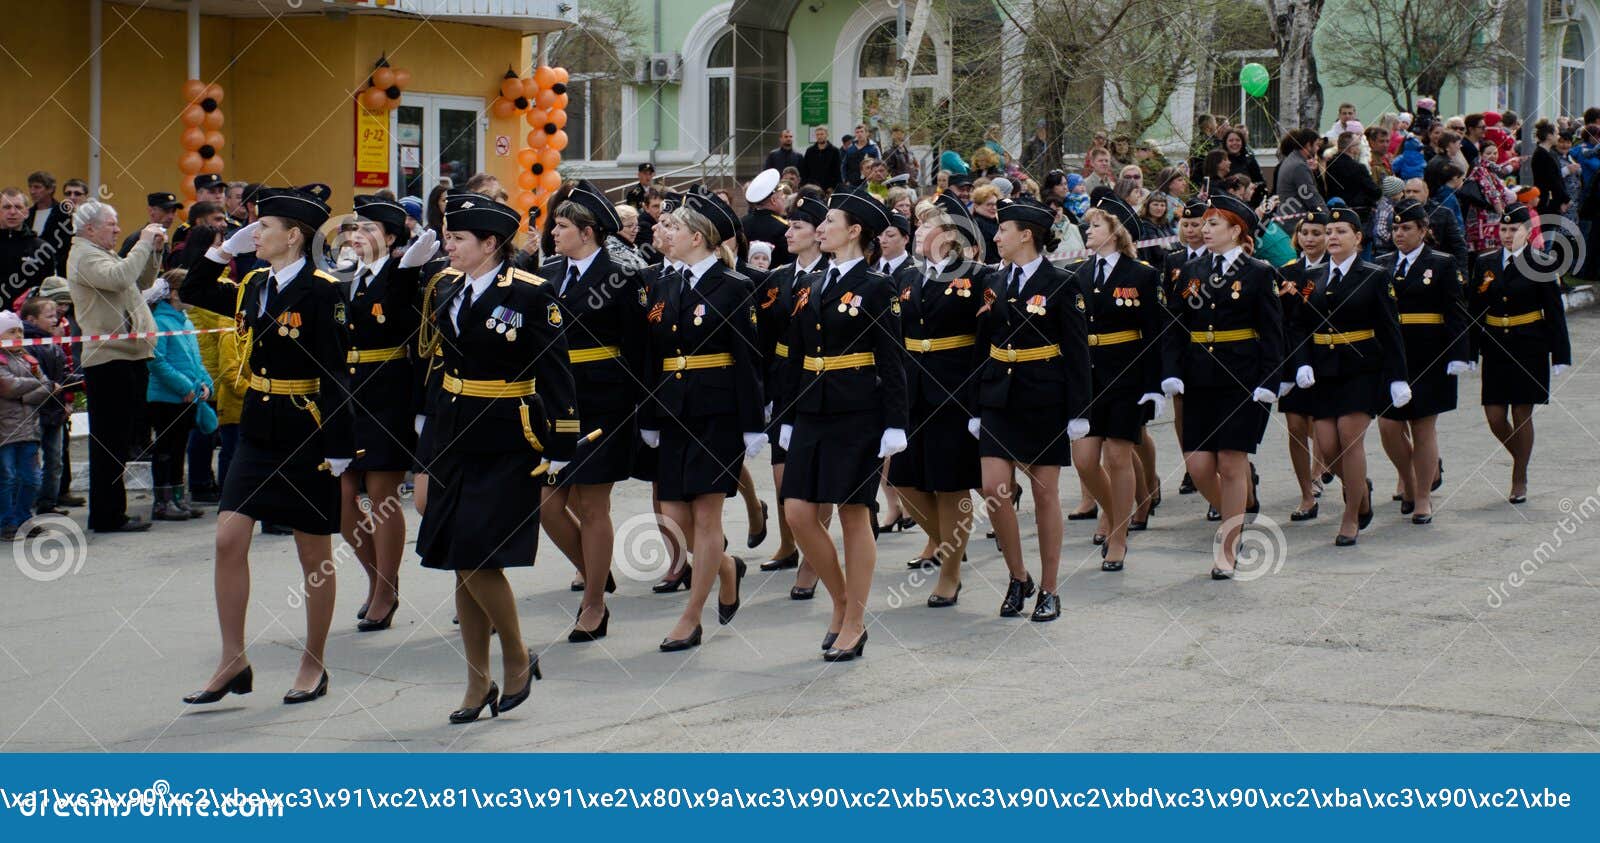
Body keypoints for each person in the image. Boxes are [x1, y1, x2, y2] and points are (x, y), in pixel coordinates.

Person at [178, 185, 355, 706]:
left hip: (307, 427)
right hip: (258, 424)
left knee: (312, 551)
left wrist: (340, 446)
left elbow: (337, 373)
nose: (254, 233)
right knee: (228, 538)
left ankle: (313, 662)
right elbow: (196, 290)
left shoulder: (324, 290)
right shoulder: (255, 281)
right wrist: (219, 250)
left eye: (264, 227)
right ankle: (233, 659)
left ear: (294, 235)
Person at [408, 192, 576, 720]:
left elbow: (556, 371)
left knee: (479, 558)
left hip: (508, 436)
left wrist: (561, 447)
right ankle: (476, 682)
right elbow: (438, 368)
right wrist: (425, 440)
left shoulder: (530, 293)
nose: (449, 247)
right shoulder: (446, 291)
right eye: (448, 237)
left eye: (458, 239)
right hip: (454, 436)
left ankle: (517, 655)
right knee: (459, 563)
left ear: (490, 244)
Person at [777, 187, 905, 661]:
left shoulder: (877, 285)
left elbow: (893, 360)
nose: (821, 227)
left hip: (858, 412)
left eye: (831, 221)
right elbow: (795, 355)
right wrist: (787, 417)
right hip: (811, 409)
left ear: (854, 231)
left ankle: (853, 621)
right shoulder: (811, 282)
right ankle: (840, 599)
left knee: (854, 513)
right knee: (797, 511)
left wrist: (896, 423)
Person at [639, 190, 765, 652]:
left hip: (719, 412)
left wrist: (754, 423)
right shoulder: (665, 283)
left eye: (675, 228)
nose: (666, 233)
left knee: (707, 513)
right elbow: (655, 356)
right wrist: (650, 414)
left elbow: (748, 358)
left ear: (699, 237)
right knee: (673, 514)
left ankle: (691, 618)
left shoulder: (734, 286)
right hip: (673, 409)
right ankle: (726, 568)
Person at [537, 181, 646, 643]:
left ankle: (595, 604)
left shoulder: (622, 276)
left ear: (587, 231)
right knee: (546, 504)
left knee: (593, 502)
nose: (554, 233)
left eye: (562, 226)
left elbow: (639, 349)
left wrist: (642, 407)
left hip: (604, 400)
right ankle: (593, 569)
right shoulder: (547, 272)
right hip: (555, 400)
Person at [974, 197, 1091, 621]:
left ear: (1026, 235)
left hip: (1044, 396)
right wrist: (975, 404)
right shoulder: (993, 280)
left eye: (1003, 230)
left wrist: (1079, 411)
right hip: (998, 397)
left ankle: (1050, 587)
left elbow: (1077, 353)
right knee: (993, 488)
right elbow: (979, 346)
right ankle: (1017, 575)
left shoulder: (1062, 281)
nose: (997, 236)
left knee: (1045, 494)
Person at [1160, 194, 1284, 577]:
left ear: (1235, 231)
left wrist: (1270, 381)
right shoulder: (1190, 270)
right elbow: (1175, 325)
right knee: (1198, 466)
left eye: (1215, 224)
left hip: (1241, 379)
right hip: (1199, 377)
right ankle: (1238, 516)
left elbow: (1273, 333)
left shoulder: (1259, 272)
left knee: (1231, 463)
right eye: (1204, 223)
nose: (1204, 229)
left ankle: (1228, 546)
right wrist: (1171, 369)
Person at [1286, 207, 1408, 546]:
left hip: (1360, 369)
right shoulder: (1314, 277)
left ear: (1358, 238)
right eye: (1330, 232)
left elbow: (1389, 329)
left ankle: (1351, 514)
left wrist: (1398, 377)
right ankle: (1361, 493)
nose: (1333, 237)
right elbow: (1298, 325)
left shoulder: (1374, 274)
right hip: (1323, 370)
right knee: (1326, 445)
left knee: (1348, 437)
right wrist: (1301, 363)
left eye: (1341, 231)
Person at [332, 195, 420, 633]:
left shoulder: (402, 276)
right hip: (348, 393)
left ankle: (385, 590)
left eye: (368, 229)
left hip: (388, 391)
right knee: (345, 498)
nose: (356, 236)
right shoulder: (343, 276)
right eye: (353, 228)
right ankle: (377, 579)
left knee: (381, 496)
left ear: (388, 237)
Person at [1069, 193, 1165, 572]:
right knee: (1085, 460)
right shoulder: (1077, 272)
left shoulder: (1141, 274)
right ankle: (1112, 510)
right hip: (1087, 377)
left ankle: (1118, 536)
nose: (1087, 230)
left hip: (1126, 375)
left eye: (1095, 225)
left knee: (1118, 456)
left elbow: (1155, 334)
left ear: (1116, 231)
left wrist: (1154, 385)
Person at [66, 200, 164, 533]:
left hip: (127, 355)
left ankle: (113, 512)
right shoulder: (84, 256)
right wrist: (143, 242)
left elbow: (136, 280)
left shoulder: (101, 253)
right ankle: (107, 516)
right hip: (109, 360)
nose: (118, 230)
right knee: (109, 442)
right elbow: (121, 275)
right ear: (90, 228)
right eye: (111, 224)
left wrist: (153, 253)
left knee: (120, 440)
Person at [1376, 199, 1472, 525]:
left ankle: (1422, 498)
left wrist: (1460, 354)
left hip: (1430, 354)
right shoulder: (1381, 264)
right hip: (1392, 355)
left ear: (1423, 231)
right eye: (1395, 228)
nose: (1399, 234)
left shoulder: (1442, 264)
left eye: (1406, 228)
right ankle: (1410, 477)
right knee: (1388, 426)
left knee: (1422, 426)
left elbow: (1456, 312)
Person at [1468, 204, 1571, 505]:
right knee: (1495, 416)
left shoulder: (1541, 263)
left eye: (1514, 229)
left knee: (1521, 413)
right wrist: (1471, 350)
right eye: (1503, 229)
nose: (1508, 234)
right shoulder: (1484, 262)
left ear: (1528, 232)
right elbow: (1475, 310)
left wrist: (1560, 354)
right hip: (1496, 345)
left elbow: (1554, 312)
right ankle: (1521, 457)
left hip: (1529, 346)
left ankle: (1519, 477)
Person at [754, 195, 828, 593]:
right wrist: (764, 388)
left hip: (820, 378)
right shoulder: (779, 278)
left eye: (797, 226)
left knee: (817, 474)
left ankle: (813, 561)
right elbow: (764, 336)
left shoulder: (833, 275)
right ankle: (788, 544)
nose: (788, 232)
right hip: (785, 379)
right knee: (783, 473)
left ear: (819, 233)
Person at [143, 269, 211, 521]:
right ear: (173, 293)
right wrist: (184, 386)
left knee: (179, 447)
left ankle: (178, 498)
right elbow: (156, 361)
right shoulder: (160, 322)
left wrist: (205, 383)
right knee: (165, 449)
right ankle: (163, 501)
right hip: (166, 398)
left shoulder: (185, 320)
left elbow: (196, 359)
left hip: (188, 396)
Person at [1276, 211, 1330, 521]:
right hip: (1293, 355)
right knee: (1296, 425)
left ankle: (1331, 468)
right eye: (1305, 232)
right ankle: (1307, 493)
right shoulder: (1287, 272)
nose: (1310, 238)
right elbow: (1282, 318)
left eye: (1317, 233)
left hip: (1326, 353)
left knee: (1322, 423)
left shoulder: (1334, 270)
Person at [1161, 201, 1210, 497]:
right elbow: (1170, 304)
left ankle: (1210, 466)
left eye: (1197, 224)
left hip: (1210, 339)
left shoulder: (1219, 258)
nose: (1191, 230)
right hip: (1184, 341)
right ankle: (1191, 466)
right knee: (1181, 408)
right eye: (1187, 225)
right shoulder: (1174, 260)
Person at [0, 310, 51, 540]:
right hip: (5, 432)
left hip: (29, 429)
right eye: (12, 331)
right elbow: (7, 386)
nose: (18, 335)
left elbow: (47, 388)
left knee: (32, 479)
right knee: (7, 478)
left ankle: (23, 519)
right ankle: (7, 522)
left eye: (20, 330)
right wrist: (36, 386)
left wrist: (25, 394)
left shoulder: (28, 358)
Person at [19, 297, 70, 517]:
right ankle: (26, 505)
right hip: (33, 413)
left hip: (55, 412)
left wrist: (78, 387)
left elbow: (63, 376)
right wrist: (50, 387)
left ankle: (48, 503)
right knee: (31, 462)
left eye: (55, 315)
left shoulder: (53, 345)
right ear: (30, 319)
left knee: (55, 459)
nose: (55, 319)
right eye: (48, 316)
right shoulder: (24, 347)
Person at [1401, 178, 1469, 273]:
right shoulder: (1399, 214)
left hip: (1437, 269)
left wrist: (1461, 272)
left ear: (1426, 192)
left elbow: (1458, 245)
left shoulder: (1443, 213)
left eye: (1416, 191)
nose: (1411, 195)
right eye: (1408, 191)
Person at [1, 188, 50, 304]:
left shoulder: (41, 248)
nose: (12, 212)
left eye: (18, 207)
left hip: (27, 318)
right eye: (7, 207)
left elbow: (48, 290)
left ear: (26, 212)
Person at [1320, 132, 1382, 216]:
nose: (1360, 147)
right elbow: (1375, 192)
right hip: (1357, 213)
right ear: (1351, 149)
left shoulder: (1330, 164)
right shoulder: (1358, 168)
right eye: (1358, 144)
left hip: (1335, 210)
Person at [742, 169, 792, 268]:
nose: (784, 200)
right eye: (782, 196)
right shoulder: (783, 227)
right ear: (773, 200)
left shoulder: (742, 222)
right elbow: (789, 262)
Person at [26, 171, 72, 275]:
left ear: (50, 189)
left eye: (37, 187)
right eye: (30, 187)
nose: (32, 191)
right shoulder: (27, 214)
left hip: (54, 270)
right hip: (29, 270)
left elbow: (64, 245)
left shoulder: (62, 213)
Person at [1275, 128, 1326, 214]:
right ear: (1308, 145)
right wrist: (1326, 216)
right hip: (1294, 223)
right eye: (1316, 145)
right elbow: (1311, 198)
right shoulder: (1299, 167)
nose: (1318, 149)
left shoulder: (1291, 160)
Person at [120, 192, 183, 259]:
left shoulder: (163, 238)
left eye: (173, 211)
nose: (171, 216)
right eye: (166, 210)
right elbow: (121, 266)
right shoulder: (137, 239)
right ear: (151, 211)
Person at [1531, 121, 1571, 218]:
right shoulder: (1541, 154)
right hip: (1547, 201)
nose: (1558, 136)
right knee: (1548, 229)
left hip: (1551, 199)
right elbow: (1552, 180)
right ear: (1549, 136)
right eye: (1556, 134)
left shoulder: (1549, 152)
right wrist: (1565, 199)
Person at [801, 127, 843, 193]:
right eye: (817, 134)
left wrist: (833, 187)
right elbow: (805, 170)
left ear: (827, 135)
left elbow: (837, 171)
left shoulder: (834, 151)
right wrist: (806, 185)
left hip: (829, 188)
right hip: (812, 188)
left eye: (822, 134)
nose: (819, 136)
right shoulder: (810, 151)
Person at [969, 183, 1001, 264]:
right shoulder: (975, 224)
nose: (994, 208)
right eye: (989, 204)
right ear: (976, 206)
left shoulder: (997, 222)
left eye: (996, 204)